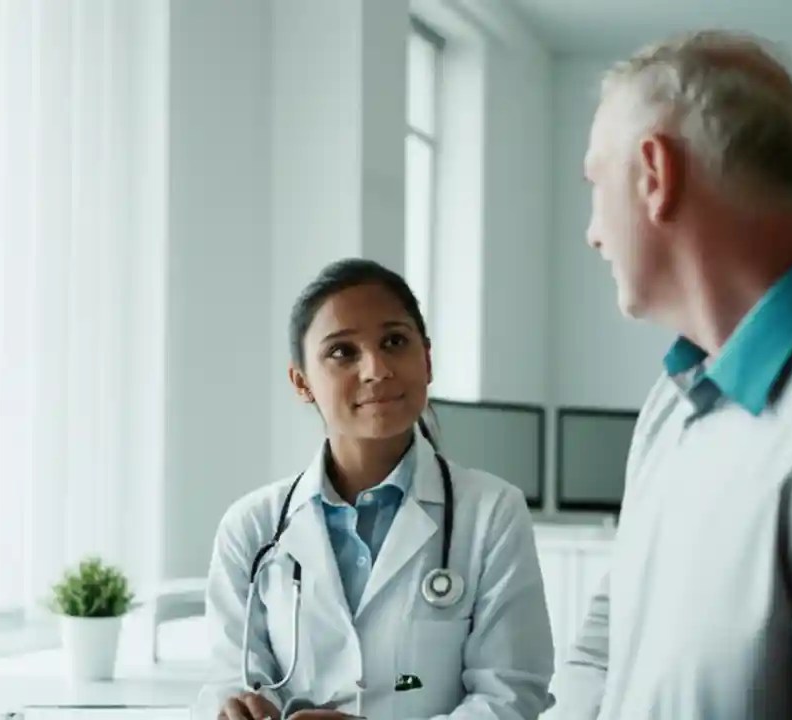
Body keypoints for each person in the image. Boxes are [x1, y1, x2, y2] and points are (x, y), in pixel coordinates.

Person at [552, 29, 792, 719]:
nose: (592, 232)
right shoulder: (672, 409)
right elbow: (601, 653)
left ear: (653, 174)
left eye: (594, 183)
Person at [192, 259, 555, 719]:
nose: (376, 368)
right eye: (342, 352)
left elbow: (509, 699)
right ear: (301, 382)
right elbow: (229, 682)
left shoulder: (492, 513)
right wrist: (238, 708)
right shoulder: (252, 528)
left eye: (394, 342)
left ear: (426, 359)